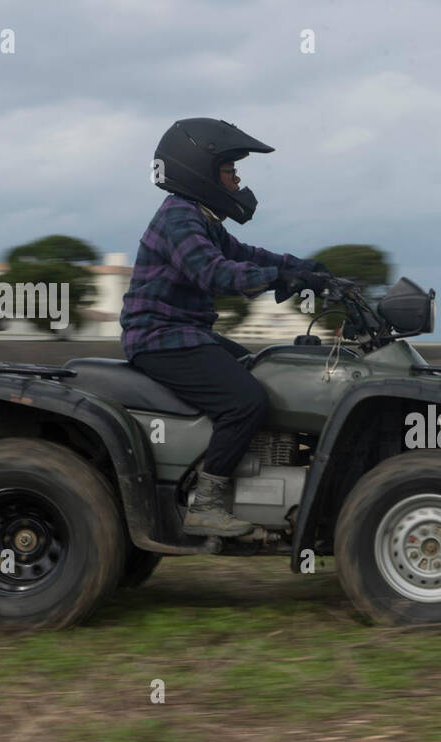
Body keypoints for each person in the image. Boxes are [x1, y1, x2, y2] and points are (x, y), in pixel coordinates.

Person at [119, 118, 328, 537]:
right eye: (230, 171)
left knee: (264, 370)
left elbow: (247, 253)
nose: (237, 181)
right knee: (245, 400)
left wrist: (309, 270)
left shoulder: (203, 219)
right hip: (160, 337)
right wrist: (277, 279)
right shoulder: (178, 219)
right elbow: (215, 273)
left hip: (185, 334)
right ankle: (208, 504)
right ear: (202, 172)